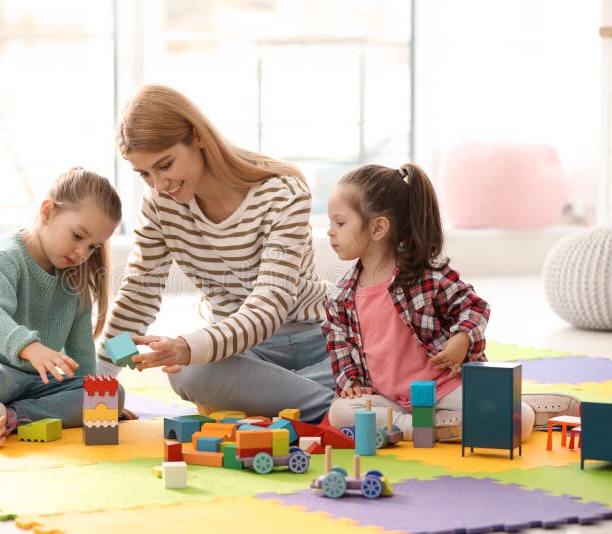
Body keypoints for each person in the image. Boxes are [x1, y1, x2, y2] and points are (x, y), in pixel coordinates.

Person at [97, 84, 336, 423]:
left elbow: (269, 306)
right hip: (241, 356)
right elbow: (139, 291)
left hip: (314, 343)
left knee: (379, 359)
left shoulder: (283, 194)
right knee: (185, 372)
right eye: (145, 173)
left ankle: (298, 403)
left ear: (197, 137)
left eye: (165, 165)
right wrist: (101, 377)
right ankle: (338, 407)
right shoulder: (161, 205)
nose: (159, 184)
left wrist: (187, 345)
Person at [323, 163, 581, 442]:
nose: (330, 232)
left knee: (519, 421)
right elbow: (341, 348)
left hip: (445, 386)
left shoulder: (425, 277)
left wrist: (462, 338)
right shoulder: (341, 297)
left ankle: (501, 410)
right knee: (339, 412)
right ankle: (420, 427)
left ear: (378, 228)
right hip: (391, 400)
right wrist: (352, 384)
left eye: (340, 223)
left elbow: (474, 307)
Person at [0, 167, 135, 440]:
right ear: (47, 211)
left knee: (113, 395)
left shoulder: (75, 281)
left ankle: (6, 415)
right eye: (77, 236)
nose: (82, 253)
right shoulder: (5, 256)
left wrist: (96, 400)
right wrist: (30, 348)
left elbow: (81, 350)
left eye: (93, 247)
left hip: (32, 383)